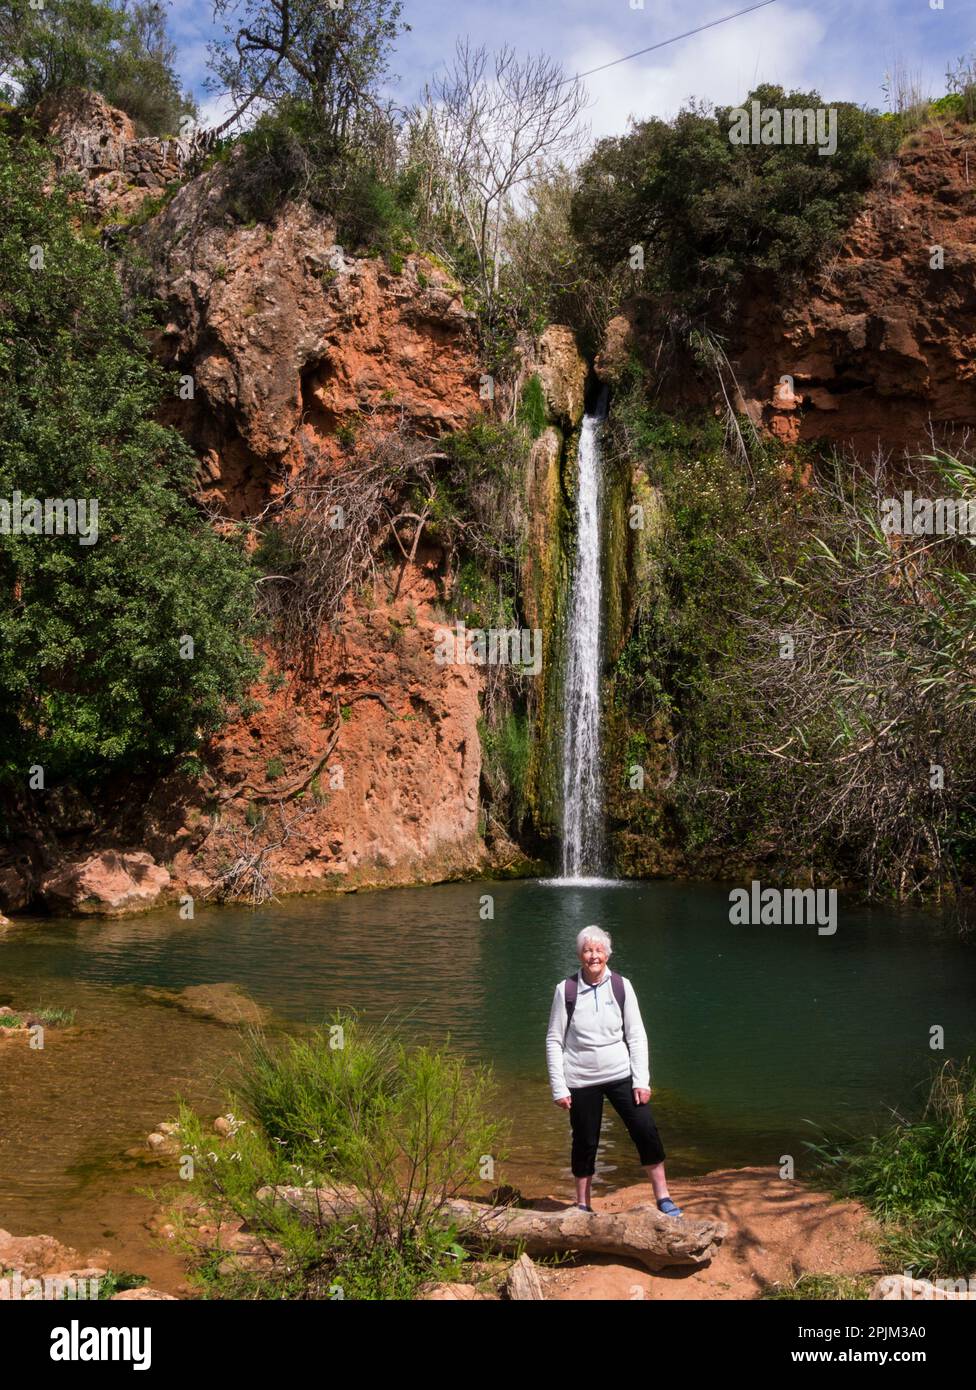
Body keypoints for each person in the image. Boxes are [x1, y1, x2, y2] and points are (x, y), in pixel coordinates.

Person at [546, 925, 682, 1217]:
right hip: (581, 1078)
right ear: (579, 954)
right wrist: (559, 1086)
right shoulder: (565, 990)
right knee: (585, 1140)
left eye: (598, 950)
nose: (593, 956)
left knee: (645, 1130)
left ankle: (663, 1196)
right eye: (587, 950)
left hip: (622, 1074)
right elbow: (554, 1040)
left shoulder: (622, 985)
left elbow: (636, 1035)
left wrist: (641, 1080)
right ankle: (582, 1203)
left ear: (607, 954)